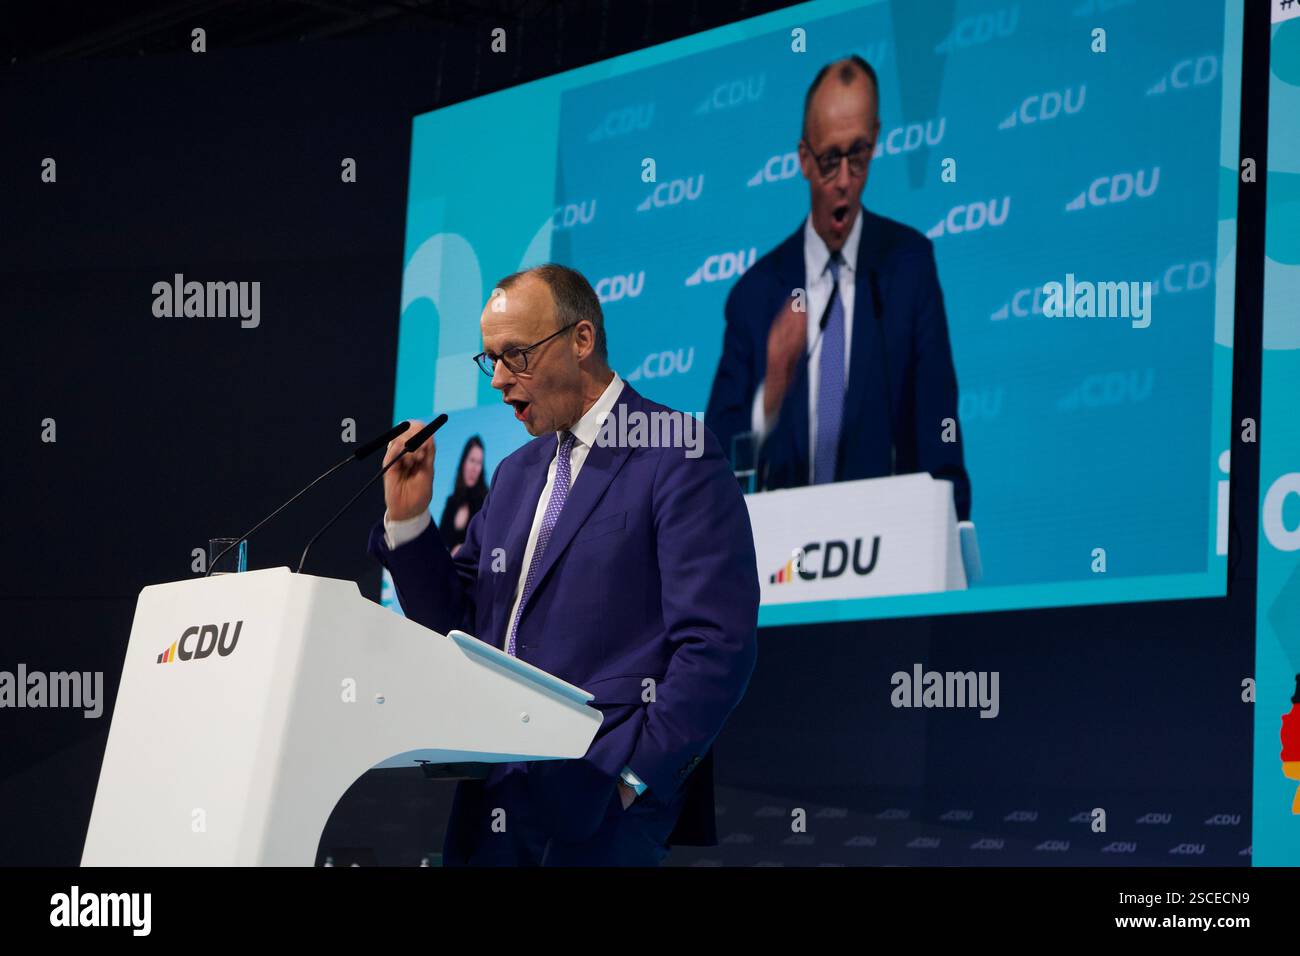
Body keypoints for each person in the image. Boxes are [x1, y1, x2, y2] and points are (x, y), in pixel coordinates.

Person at [369, 263, 759, 866]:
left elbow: (718, 644)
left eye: (516, 355)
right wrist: (410, 521)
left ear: (581, 341)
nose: (498, 380)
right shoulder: (516, 474)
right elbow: (458, 624)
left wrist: (635, 780)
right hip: (493, 800)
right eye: (489, 359)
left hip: (599, 800)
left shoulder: (673, 450)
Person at [704, 55, 971, 520]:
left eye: (859, 155)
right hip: (781, 565)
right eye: (830, 161)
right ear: (804, 158)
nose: (846, 180)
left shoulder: (909, 266)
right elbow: (713, 462)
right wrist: (769, 397)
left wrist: (949, 530)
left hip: (890, 553)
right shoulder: (755, 295)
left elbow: (939, 424)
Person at [438, 435, 487, 555]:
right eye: (472, 460)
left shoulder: (487, 500)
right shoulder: (452, 502)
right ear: (464, 462)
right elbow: (441, 542)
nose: (475, 468)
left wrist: (464, 548)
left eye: (479, 463)